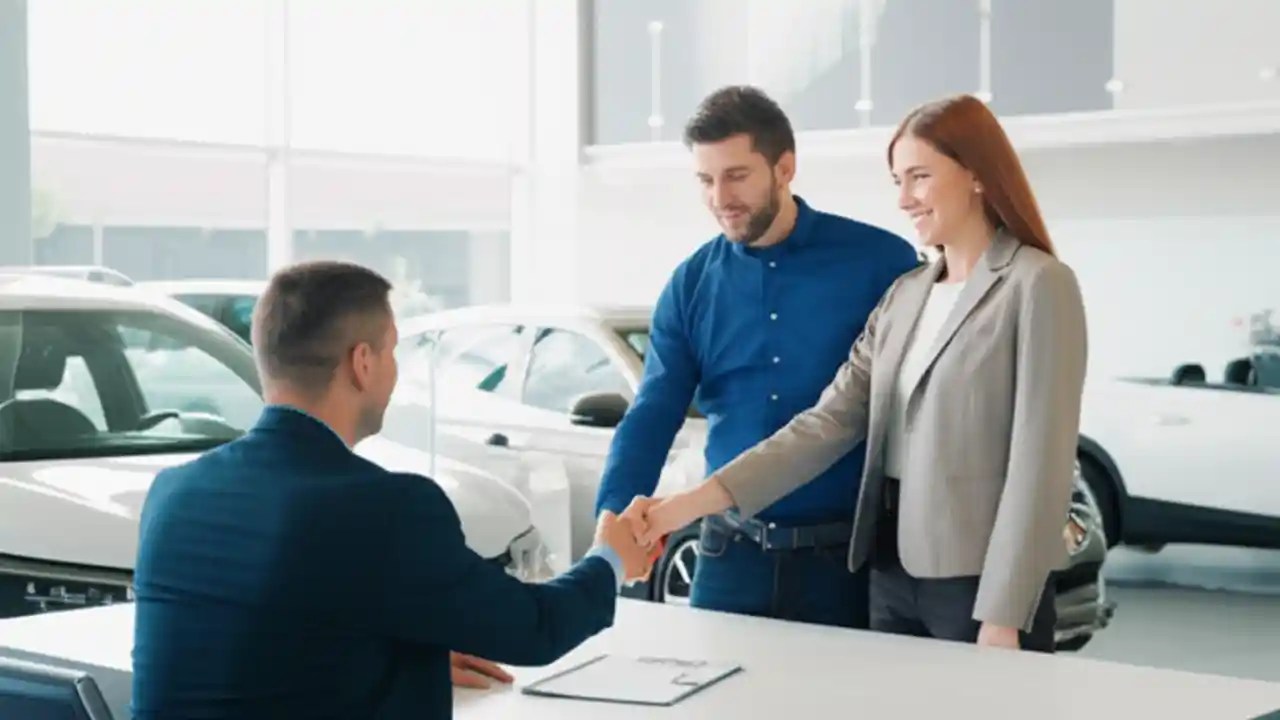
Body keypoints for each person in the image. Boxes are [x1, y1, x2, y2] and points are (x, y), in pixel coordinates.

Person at [630, 94, 1088, 653]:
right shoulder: (906, 293)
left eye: (918, 177)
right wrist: (677, 508)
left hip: (975, 587)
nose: (903, 199)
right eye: (897, 180)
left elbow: (1040, 468)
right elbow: (826, 425)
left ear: (975, 174)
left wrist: (1005, 613)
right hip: (887, 576)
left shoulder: (1037, 285)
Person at [131, 260, 651, 719]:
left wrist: (393, 641)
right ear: (362, 363)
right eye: (392, 351)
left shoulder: (173, 495)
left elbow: (258, 641)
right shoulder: (387, 506)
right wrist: (612, 558)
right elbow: (536, 629)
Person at [595, 85, 920, 629]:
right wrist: (613, 515)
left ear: (785, 167)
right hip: (728, 557)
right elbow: (653, 411)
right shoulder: (690, 284)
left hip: (847, 565)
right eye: (705, 179)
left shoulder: (880, 263)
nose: (720, 196)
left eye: (737, 175)